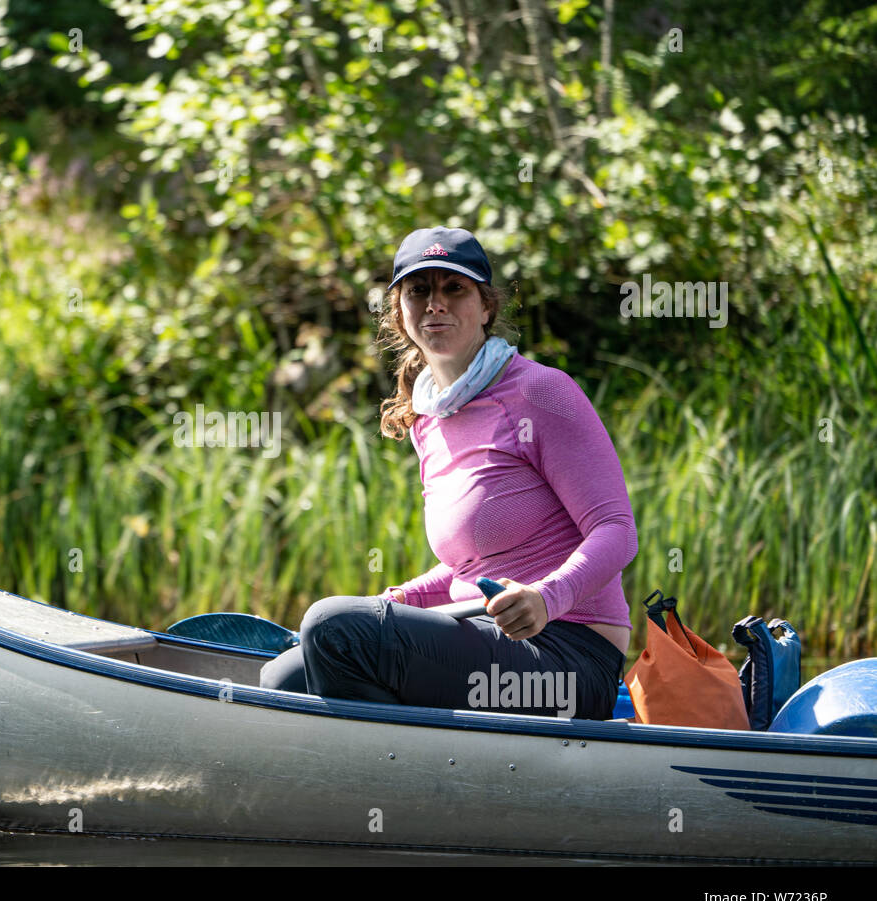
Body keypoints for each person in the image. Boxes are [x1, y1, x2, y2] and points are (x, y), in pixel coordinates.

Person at [258, 226, 636, 720]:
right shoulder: (429, 420)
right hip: (485, 639)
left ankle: (399, 780)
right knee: (283, 675)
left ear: (486, 307)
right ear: (400, 312)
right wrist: (393, 601)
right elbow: (468, 568)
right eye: (419, 291)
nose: (435, 303)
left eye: (454, 288)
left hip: (567, 664)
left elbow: (617, 531)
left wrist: (547, 598)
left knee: (333, 626)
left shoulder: (542, 392)